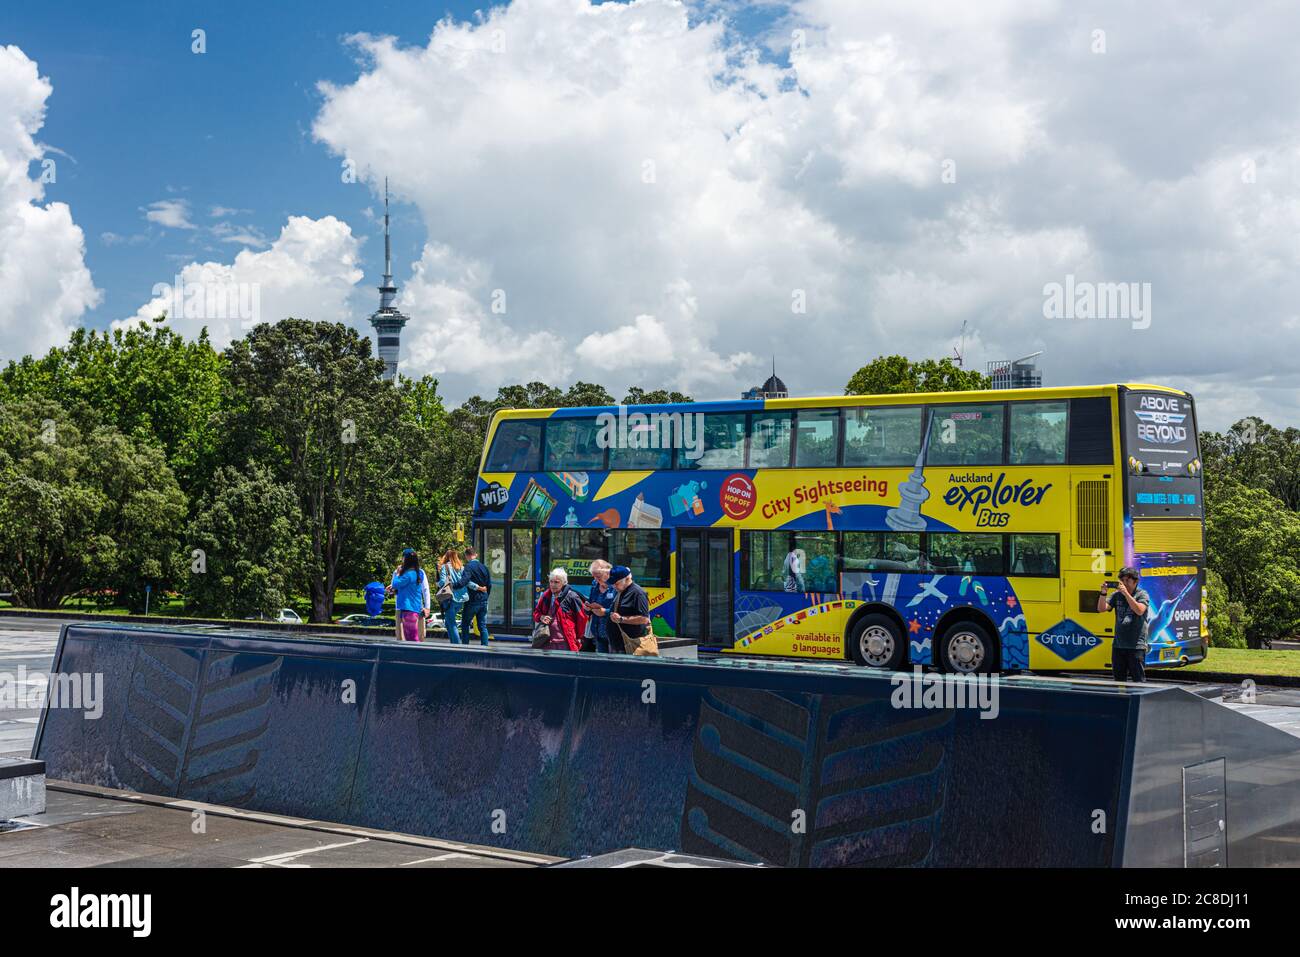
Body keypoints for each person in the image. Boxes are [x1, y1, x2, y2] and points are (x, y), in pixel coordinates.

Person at [1098, 566, 1151, 683]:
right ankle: (1121, 700)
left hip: (1136, 646)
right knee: (1119, 680)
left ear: (1135, 581)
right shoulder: (1117, 595)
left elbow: (1139, 610)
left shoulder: (1142, 594)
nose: (1124, 583)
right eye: (1122, 581)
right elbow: (1101, 608)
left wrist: (1126, 594)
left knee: (1138, 680)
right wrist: (1103, 593)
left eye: (1127, 580)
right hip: (1118, 645)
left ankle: (1138, 701)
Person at [533, 568, 587, 651]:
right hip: (546, 641)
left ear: (564, 583)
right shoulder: (545, 596)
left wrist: (579, 638)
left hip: (565, 643)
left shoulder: (572, 597)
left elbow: (582, 618)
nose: (553, 584)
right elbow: (536, 613)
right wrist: (541, 617)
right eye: (551, 581)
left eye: (556, 582)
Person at [608, 565, 657, 656]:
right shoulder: (621, 591)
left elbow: (644, 619)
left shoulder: (638, 593)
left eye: (616, 583)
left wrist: (621, 619)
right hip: (619, 644)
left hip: (631, 645)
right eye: (612, 583)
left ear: (627, 579)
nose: (614, 586)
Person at [390, 549, 427, 642]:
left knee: (411, 637)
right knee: (410, 636)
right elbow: (404, 588)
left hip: (408, 608)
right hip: (414, 607)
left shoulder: (407, 574)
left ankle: (416, 655)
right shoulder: (417, 573)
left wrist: (398, 574)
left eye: (403, 557)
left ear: (406, 559)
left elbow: (395, 583)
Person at [584, 559, 619, 653]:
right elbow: (590, 602)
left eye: (598, 576)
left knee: (614, 664)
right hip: (598, 632)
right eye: (594, 576)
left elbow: (621, 609)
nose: (596, 579)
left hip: (614, 633)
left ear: (607, 572)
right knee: (602, 663)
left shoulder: (616, 585)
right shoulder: (595, 584)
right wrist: (588, 608)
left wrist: (605, 612)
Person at [460, 546, 492, 646]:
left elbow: (465, 581)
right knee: (482, 626)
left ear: (467, 556)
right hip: (483, 599)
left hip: (472, 600)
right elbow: (489, 584)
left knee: (465, 624)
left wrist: (456, 585)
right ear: (476, 554)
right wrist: (486, 596)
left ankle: (465, 646)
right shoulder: (484, 567)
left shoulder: (468, 567)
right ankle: (485, 647)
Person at [438, 547, 469, 644]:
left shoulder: (445, 567)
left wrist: (437, 584)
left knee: (451, 623)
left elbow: (443, 582)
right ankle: (453, 643)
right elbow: (467, 582)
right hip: (460, 600)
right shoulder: (462, 568)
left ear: (446, 557)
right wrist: (478, 587)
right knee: (448, 622)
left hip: (450, 598)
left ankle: (457, 645)